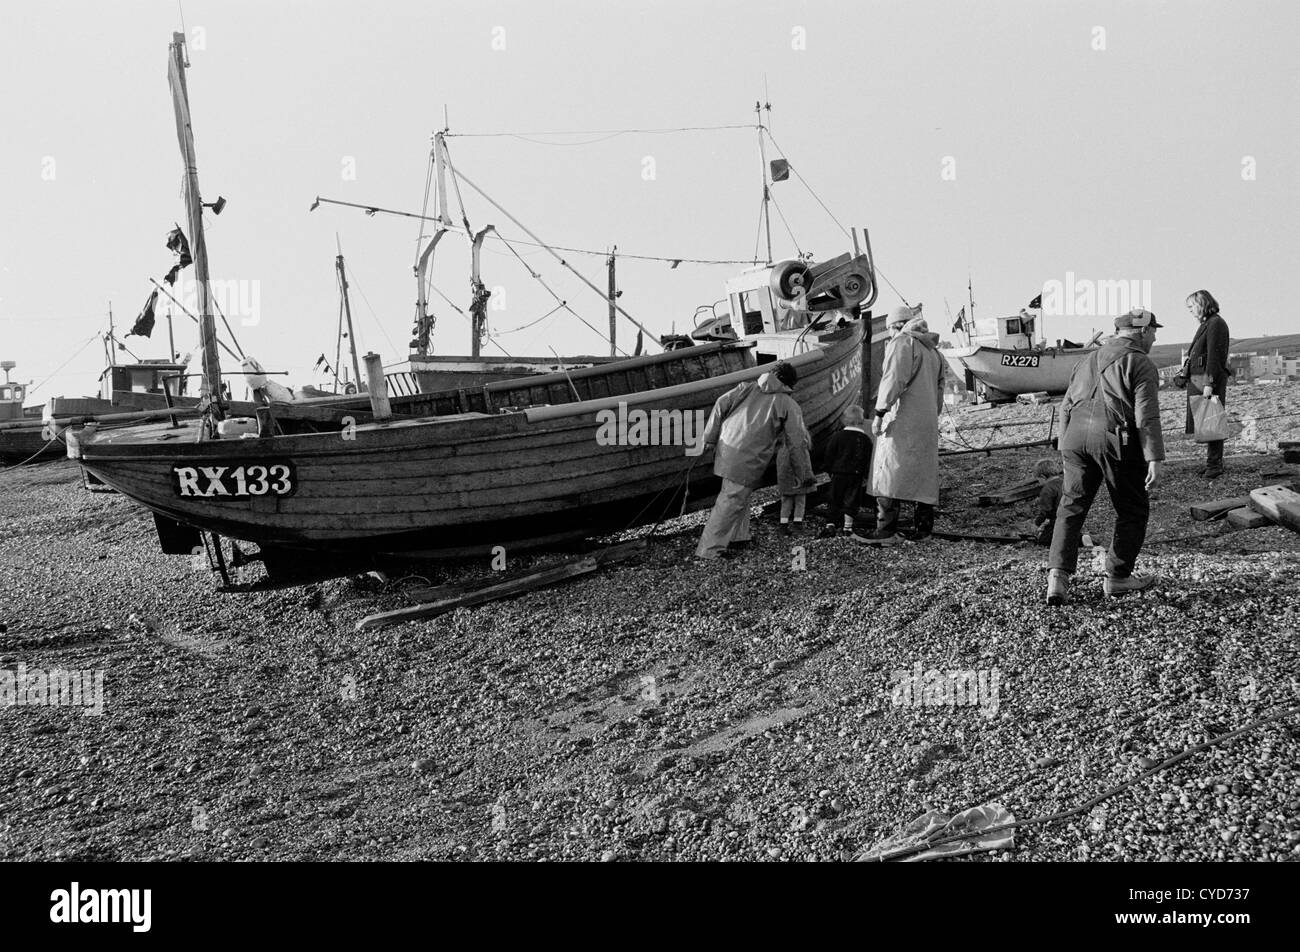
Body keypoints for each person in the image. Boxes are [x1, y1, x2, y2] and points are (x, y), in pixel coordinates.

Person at [1046, 308, 1165, 605]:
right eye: (1153, 331)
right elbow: (1146, 416)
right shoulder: (1140, 362)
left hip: (1074, 436)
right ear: (1142, 332)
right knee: (1132, 508)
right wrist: (1154, 456)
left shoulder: (1087, 359)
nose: (1155, 336)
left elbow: (1065, 405)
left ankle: (1057, 578)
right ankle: (1118, 576)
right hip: (1114, 438)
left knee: (1071, 506)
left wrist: (1063, 447)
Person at [695, 362, 814, 560]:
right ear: (789, 384)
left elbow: (720, 404)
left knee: (741, 494)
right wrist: (804, 475)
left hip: (728, 447)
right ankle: (709, 551)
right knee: (731, 499)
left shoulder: (746, 387)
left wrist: (709, 437)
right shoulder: (788, 404)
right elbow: (796, 444)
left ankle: (738, 536)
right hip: (749, 455)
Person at [854, 306, 944, 545]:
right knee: (923, 474)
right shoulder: (934, 351)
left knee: (888, 471)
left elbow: (893, 379)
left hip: (901, 418)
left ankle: (885, 531)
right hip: (926, 422)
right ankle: (923, 530)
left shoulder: (903, 343)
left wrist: (880, 412)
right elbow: (940, 391)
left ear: (895, 327)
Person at [1174, 289, 1230, 478]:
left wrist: (1209, 383)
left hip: (1206, 380)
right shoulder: (1210, 323)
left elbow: (1215, 356)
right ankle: (1212, 464)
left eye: (1191, 306)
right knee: (1207, 423)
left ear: (1201, 304)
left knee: (1211, 423)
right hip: (1199, 379)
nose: (1190, 310)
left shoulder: (1216, 324)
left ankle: (1214, 466)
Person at [818, 404, 872, 537]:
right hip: (856, 475)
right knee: (851, 500)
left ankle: (831, 524)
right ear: (860, 420)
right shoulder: (865, 439)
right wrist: (865, 475)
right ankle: (848, 527)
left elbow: (829, 454)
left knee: (834, 498)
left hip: (838, 473)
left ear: (845, 420)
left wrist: (829, 470)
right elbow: (868, 458)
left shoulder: (837, 436)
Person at [776, 408, 815, 535]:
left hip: (787, 478)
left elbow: (782, 467)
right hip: (800, 477)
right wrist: (805, 477)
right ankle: (798, 524)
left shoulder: (783, 449)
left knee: (786, 500)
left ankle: (783, 525)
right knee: (800, 501)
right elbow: (804, 464)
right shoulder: (800, 448)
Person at [1030, 457, 1064, 546]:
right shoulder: (1064, 482)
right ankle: (1080, 537)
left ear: (1042, 477)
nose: (1039, 482)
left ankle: (1080, 539)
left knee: (1044, 541)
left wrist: (1036, 524)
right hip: (1071, 517)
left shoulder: (1047, 489)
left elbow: (1045, 511)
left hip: (1057, 521)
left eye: (1038, 479)